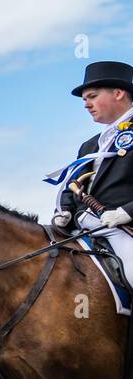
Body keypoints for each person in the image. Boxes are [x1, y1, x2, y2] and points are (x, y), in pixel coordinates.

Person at [50, 61, 133, 277]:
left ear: (118, 93)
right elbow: (74, 183)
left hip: (123, 229)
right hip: (84, 228)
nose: (86, 105)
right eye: (85, 100)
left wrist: (126, 212)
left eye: (92, 96)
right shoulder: (90, 145)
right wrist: (65, 210)